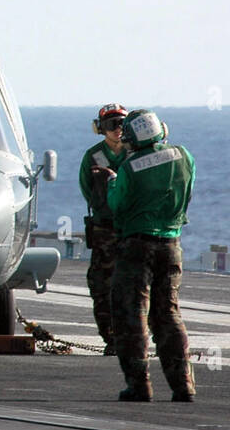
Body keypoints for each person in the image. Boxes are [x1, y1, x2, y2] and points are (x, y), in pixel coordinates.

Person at [106, 109, 196, 402]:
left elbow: (118, 205)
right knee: (169, 314)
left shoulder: (130, 167)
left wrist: (111, 183)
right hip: (171, 244)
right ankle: (183, 385)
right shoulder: (184, 155)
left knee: (131, 314)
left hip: (137, 246)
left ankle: (139, 385)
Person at [78, 103, 128, 355]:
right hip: (105, 229)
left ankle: (132, 336)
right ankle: (111, 337)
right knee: (101, 284)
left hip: (131, 228)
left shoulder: (135, 153)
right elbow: (87, 190)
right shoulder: (94, 156)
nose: (117, 129)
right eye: (111, 125)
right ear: (101, 128)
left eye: (121, 123)